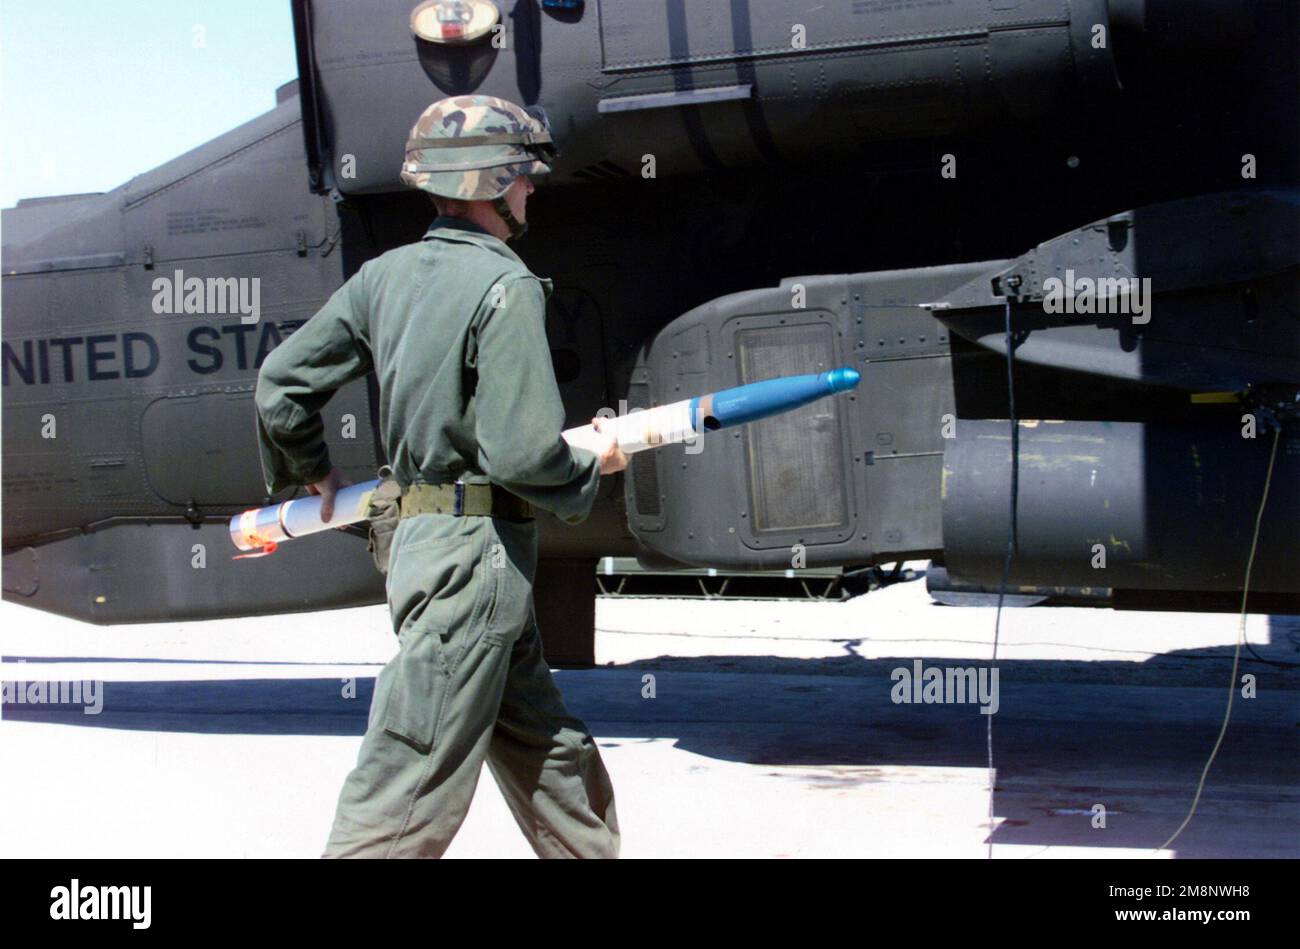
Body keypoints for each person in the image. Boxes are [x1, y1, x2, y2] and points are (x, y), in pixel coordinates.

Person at [254, 94, 627, 858]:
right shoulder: (508, 285)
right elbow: (522, 454)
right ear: (492, 182)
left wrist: (313, 469)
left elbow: (280, 386)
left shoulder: (381, 280)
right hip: (476, 559)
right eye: (524, 176)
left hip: (425, 549)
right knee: (407, 782)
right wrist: (590, 463)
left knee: (550, 754)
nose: (532, 189)